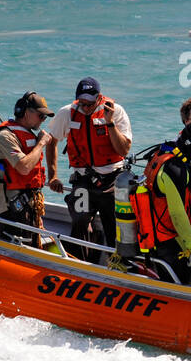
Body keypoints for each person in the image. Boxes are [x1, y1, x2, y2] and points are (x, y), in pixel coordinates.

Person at [44, 77, 133, 261]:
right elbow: (51, 141)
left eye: (89, 104)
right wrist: (53, 176)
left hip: (111, 181)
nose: (85, 107)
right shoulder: (67, 113)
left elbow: (124, 149)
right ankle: (81, 262)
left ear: (99, 98)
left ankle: (118, 264)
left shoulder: (116, 112)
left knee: (114, 225)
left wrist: (110, 123)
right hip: (83, 180)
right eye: (82, 103)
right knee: (80, 219)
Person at [131, 121, 191, 284]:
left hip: (162, 235)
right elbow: (177, 215)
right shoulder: (175, 170)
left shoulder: (165, 154)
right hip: (166, 241)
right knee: (179, 281)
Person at [0, 92, 55, 243]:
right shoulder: (5, 137)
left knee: (34, 245)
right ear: (26, 113)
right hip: (11, 208)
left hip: (30, 205)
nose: (43, 120)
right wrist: (42, 143)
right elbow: (24, 167)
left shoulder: (28, 135)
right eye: (41, 116)